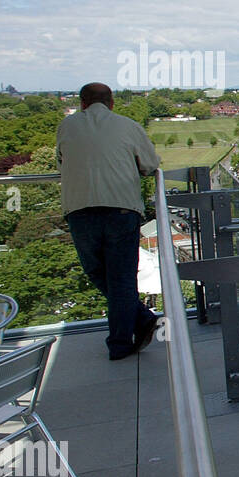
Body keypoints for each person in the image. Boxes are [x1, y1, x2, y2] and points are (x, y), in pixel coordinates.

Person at [57, 82, 161, 361]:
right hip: (121, 210)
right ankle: (125, 337)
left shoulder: (66, 126)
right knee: (123, 278)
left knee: (96, 272)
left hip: (80, 210)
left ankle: (130, 331)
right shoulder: (127, 126)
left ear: (82, 103)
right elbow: (151, 165)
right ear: (111, 102)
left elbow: (62, 161)